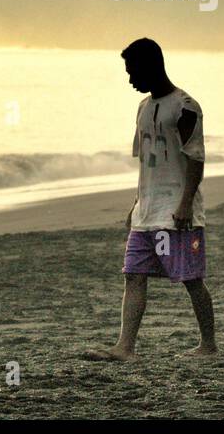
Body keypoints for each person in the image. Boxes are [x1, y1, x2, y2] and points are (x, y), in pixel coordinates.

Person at [85, 38, 216, 362]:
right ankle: (125, 347)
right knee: (133, 274)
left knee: (191, 279)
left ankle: (209, 346)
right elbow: (148, 161)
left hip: (178, 211)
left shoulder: (186, 106)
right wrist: (135, 204)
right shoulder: (143, 108)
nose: (130, 80)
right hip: (146, 211)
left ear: (150, 66)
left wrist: (185, 204)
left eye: (133, 72)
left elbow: (196, 159)